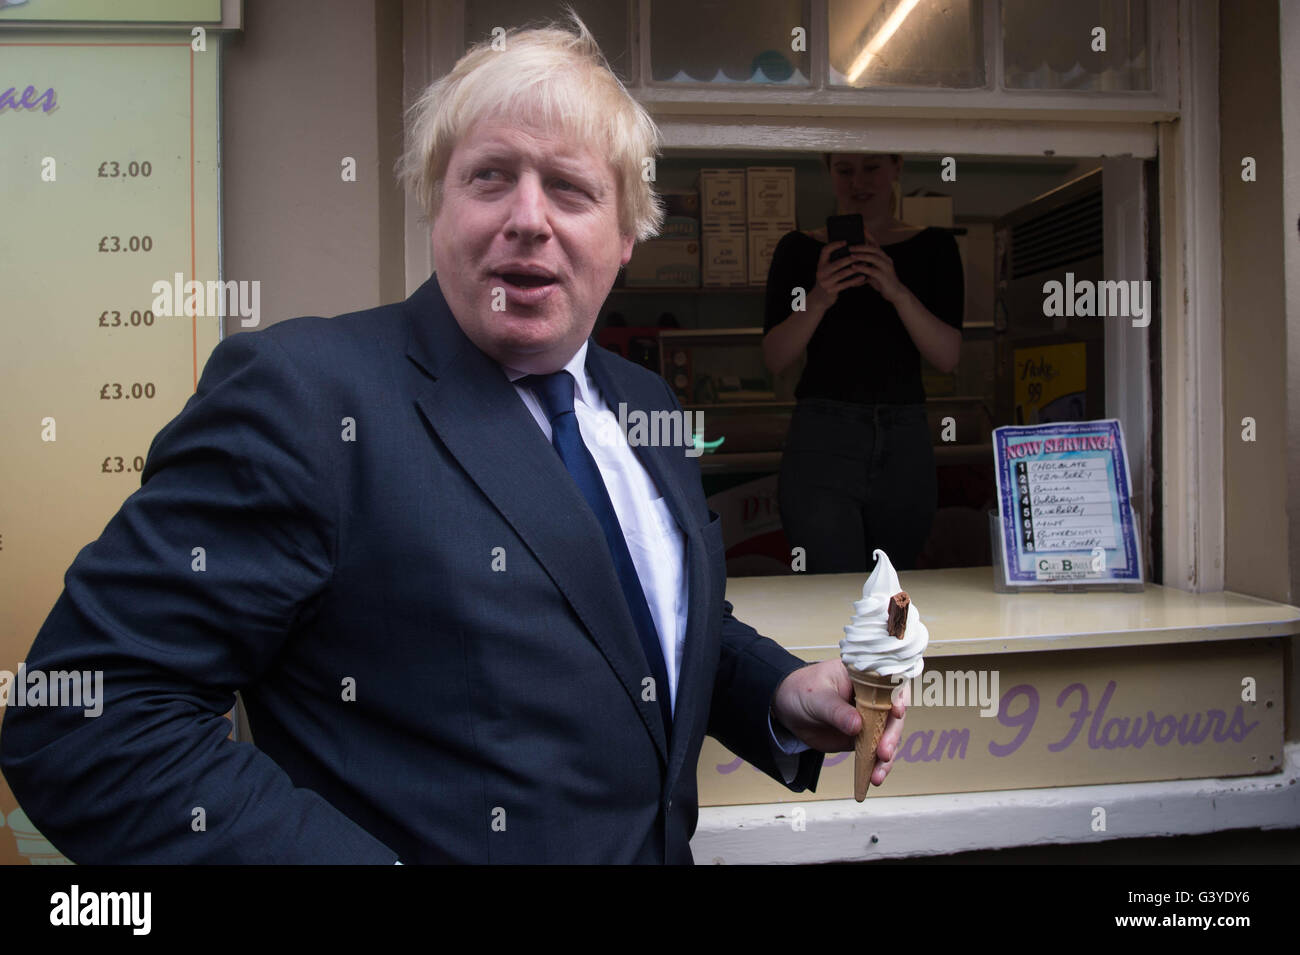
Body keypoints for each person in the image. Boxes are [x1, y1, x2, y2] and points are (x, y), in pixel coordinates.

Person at [0, 15, 908, 865]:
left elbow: (649, 619)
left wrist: (780, 696)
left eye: (570, 188)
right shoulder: (304, 396)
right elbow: (87, 717)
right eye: (489, 176)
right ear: (437, 208)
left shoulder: (640, 400)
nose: (527, 216)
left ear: (626, 234)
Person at [762, 152, 963, 573]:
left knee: (897, 590)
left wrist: (897, 291)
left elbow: (947, 356)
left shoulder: (935, 247)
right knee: (828, 590)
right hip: (822, 433)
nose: (859, 182)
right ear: (829, 172)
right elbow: (776, 357)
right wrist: (820, 297)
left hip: (904, 434)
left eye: (871, 168)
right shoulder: (797, 249)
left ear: (897, 168)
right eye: (845, 170)